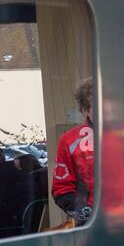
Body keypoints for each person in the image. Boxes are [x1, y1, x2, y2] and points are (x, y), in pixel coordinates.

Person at [52, 77, 95, 227]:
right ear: (84, 110)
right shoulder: (70, 141)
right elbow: (61, 190)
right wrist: (89, 215)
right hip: (93, 226)